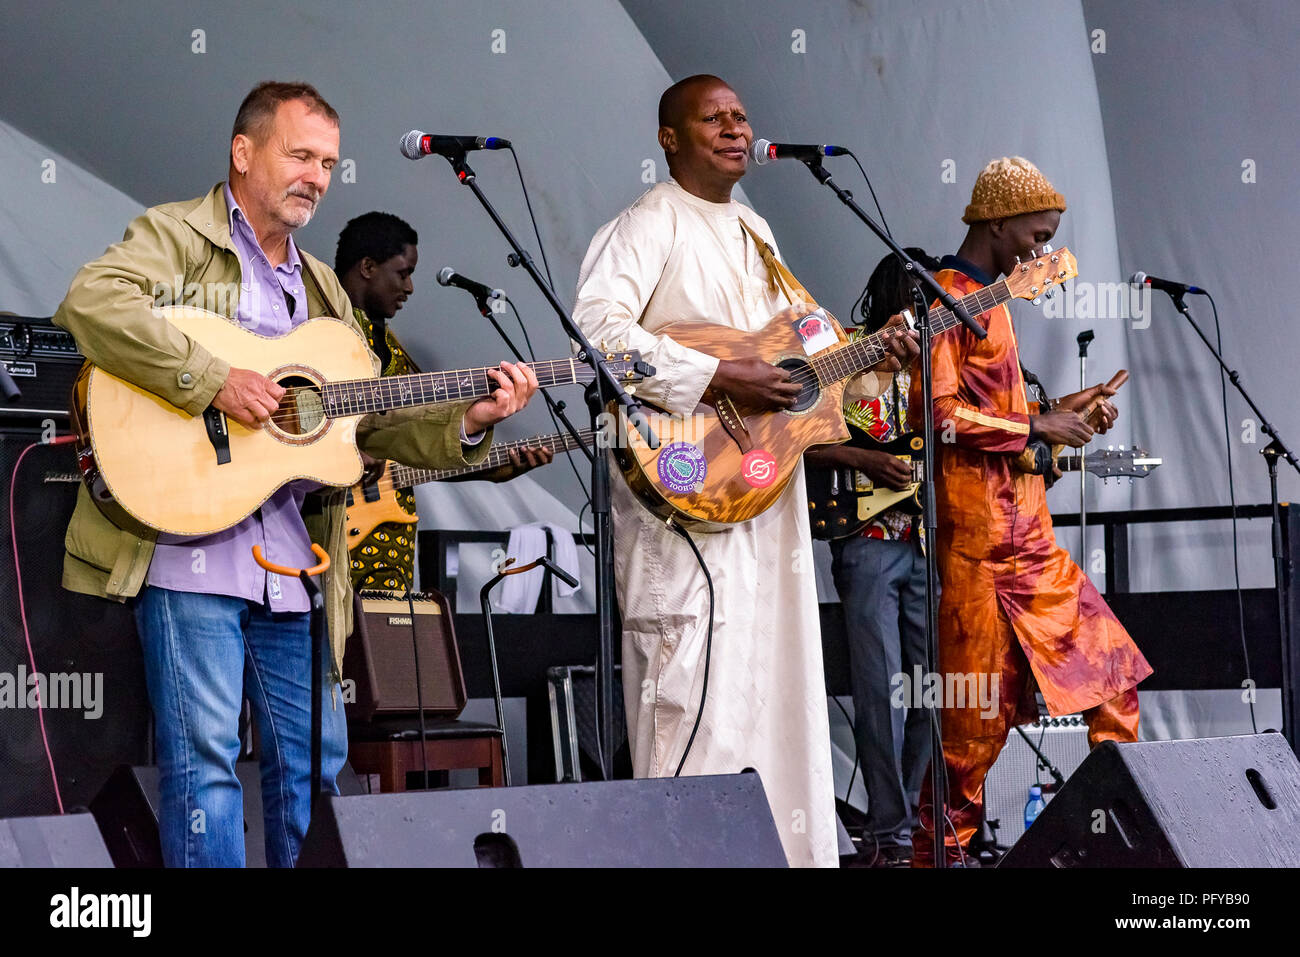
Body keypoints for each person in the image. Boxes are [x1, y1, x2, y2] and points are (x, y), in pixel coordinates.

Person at [54, 81, 538, 867]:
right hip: (188, 551)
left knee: (315, 764)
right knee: (206, 766)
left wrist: (470, 420)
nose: (316, 176)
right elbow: (93, 300)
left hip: (291, 563)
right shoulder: (178, 234)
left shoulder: (322, 288)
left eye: (329, 164)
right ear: (244, 152)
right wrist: (214, 379)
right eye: (301, 155)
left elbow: (364, 422)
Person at [571, 74, 916, 867]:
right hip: (684, 497)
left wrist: (873, 357)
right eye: (713, 118)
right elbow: (597, 336)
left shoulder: (756, 230)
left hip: (765, 493)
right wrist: (718, 376)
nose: (735, 129)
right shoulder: (647, 223)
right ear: (670, 138)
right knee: (694, 690)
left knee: (775, 687)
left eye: (741, 116)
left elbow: (799, 360)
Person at [909, 156, 1152, 866]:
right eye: (1036, 235)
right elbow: (936, 415)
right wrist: (1038, 425)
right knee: (969, 746)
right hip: (978, 557)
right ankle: (935, 860)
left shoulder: (996, 301)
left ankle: (1109, 847)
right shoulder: (945, 302)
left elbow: (1002, 422)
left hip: (1034, 548)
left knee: (1115, 684)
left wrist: (1063, 413)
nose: (1041, 251)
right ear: (996, 222)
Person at [804, 249, 940, 866]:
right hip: (867, 542)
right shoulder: (846, 350)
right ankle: (889, 835)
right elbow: (801, 439)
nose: (921, 312)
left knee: (935, 691)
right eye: (913, 298)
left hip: (925, 542)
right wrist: (866, 459)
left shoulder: (939, 361)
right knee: (881, 693)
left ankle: (911, 819)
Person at [334, 211, 551, 591]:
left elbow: (415, 453)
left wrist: (491, 468)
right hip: (325, 541)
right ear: (367, 267)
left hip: (390, 553)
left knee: (389, 631)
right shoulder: (322, 333)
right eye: (403, 273)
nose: (410, 287)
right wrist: (344, 451)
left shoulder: (396, 352)